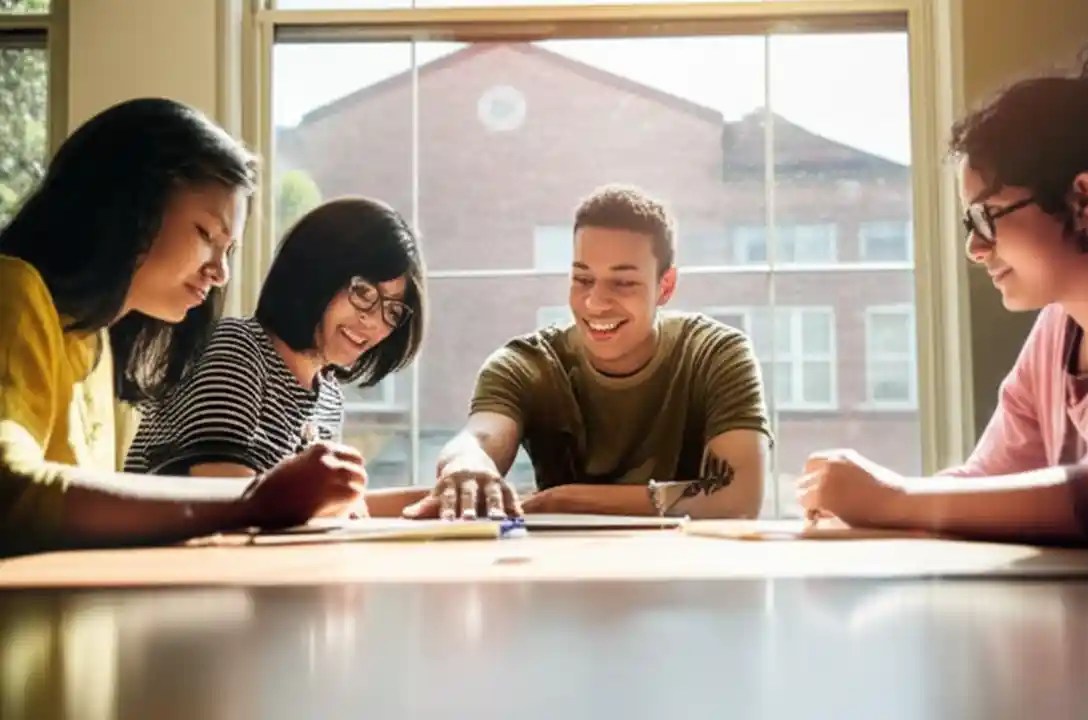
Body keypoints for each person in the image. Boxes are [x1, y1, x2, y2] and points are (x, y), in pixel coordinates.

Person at [798, 37, 1088, 571]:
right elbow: (988, 487)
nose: (975, 248)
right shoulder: (1059, 331)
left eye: (988, 216)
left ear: (1085, 201)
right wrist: (874, 508)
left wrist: (894, 499)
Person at [0, 97, 366, 555]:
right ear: (129, 208)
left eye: (228, 250)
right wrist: (254, 498)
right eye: (206, 235)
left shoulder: (103, 349)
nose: (220, 273)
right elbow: (10, 492)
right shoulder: (13, 293)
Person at [371, 184, 771, 520]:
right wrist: (465, 462)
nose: (596, 303)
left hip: (688, 586)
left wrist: (566, 498)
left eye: (623, 283)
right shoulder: (527, 363)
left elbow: (739, 500)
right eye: (583, 278)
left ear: (664, 287)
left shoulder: (716, 353)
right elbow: (480, 436)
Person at [125, 197, 425, 486]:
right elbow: (226, 498)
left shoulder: (328, 398)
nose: (374, 321)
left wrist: (430, 500)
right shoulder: (236, 349)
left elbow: (314, 510)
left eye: (394, 309)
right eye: (363, 293)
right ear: (315, 274)